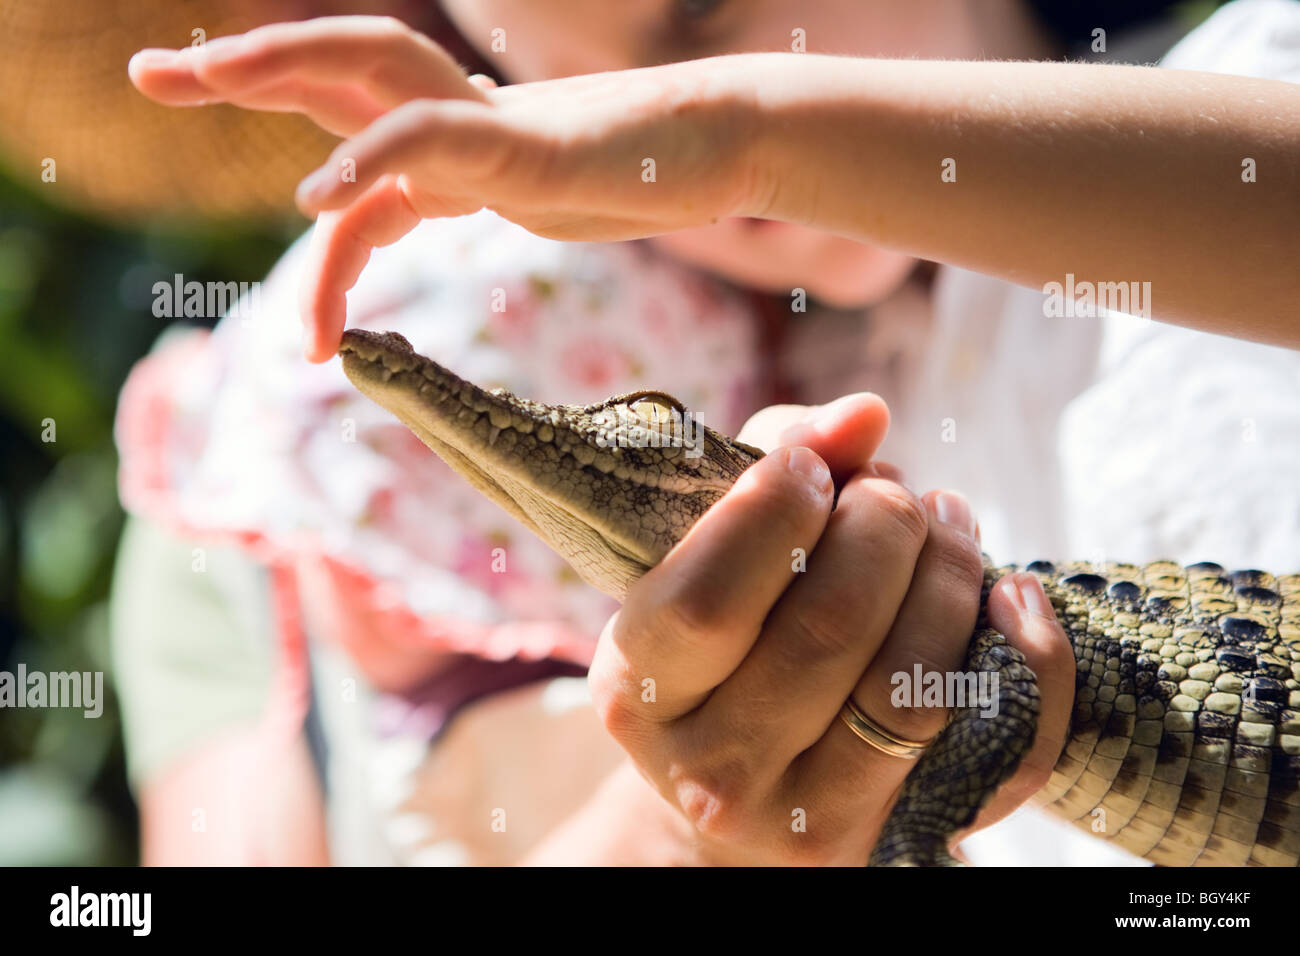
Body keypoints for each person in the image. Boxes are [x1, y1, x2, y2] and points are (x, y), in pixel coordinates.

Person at [112, 0, 1300, 865]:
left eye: (704, 11)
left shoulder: (1256, 65)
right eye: (555, 87)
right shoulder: (835, 413)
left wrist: (754, 134)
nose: (639, 134)